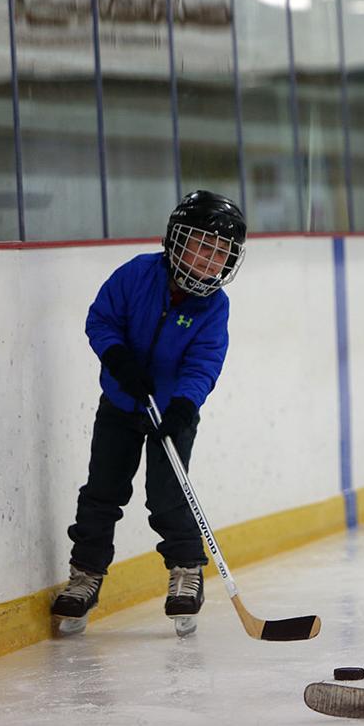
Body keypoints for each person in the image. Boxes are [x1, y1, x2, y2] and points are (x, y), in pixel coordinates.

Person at [50, 190, 247, 638]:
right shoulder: (137, 275)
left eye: (221, 253)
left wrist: (182, 405)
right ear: (176, 241)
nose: (210, 260)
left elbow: (205, 361)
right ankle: (85, 575)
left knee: (167, 495)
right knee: (103, 491)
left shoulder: (214, 306)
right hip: (120, 405)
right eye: (201, 245)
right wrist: (118, 358)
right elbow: (101, 320)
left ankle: (186, 570)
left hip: (173, 412)